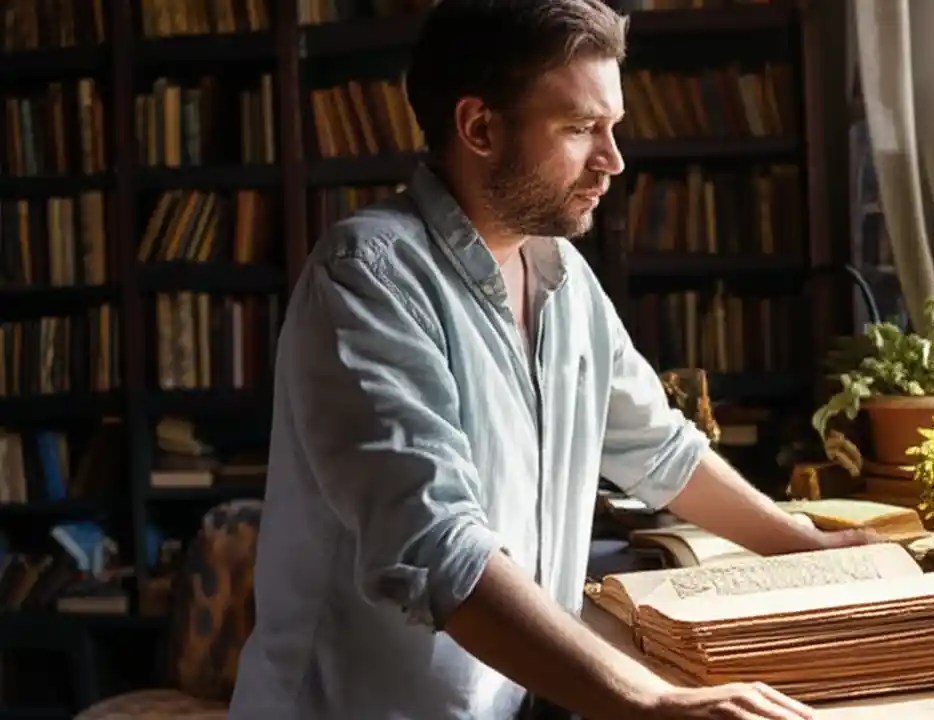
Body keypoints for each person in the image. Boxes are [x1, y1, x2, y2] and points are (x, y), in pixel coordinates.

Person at [229, 1, 876, 718]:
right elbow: (440, 549)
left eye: (613, 127)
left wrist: (806, 544)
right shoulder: (369, 275)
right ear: (479, 127)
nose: (614, 160)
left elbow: (657, 449)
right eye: (579, 129)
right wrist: (652, 702)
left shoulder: (563, 274)